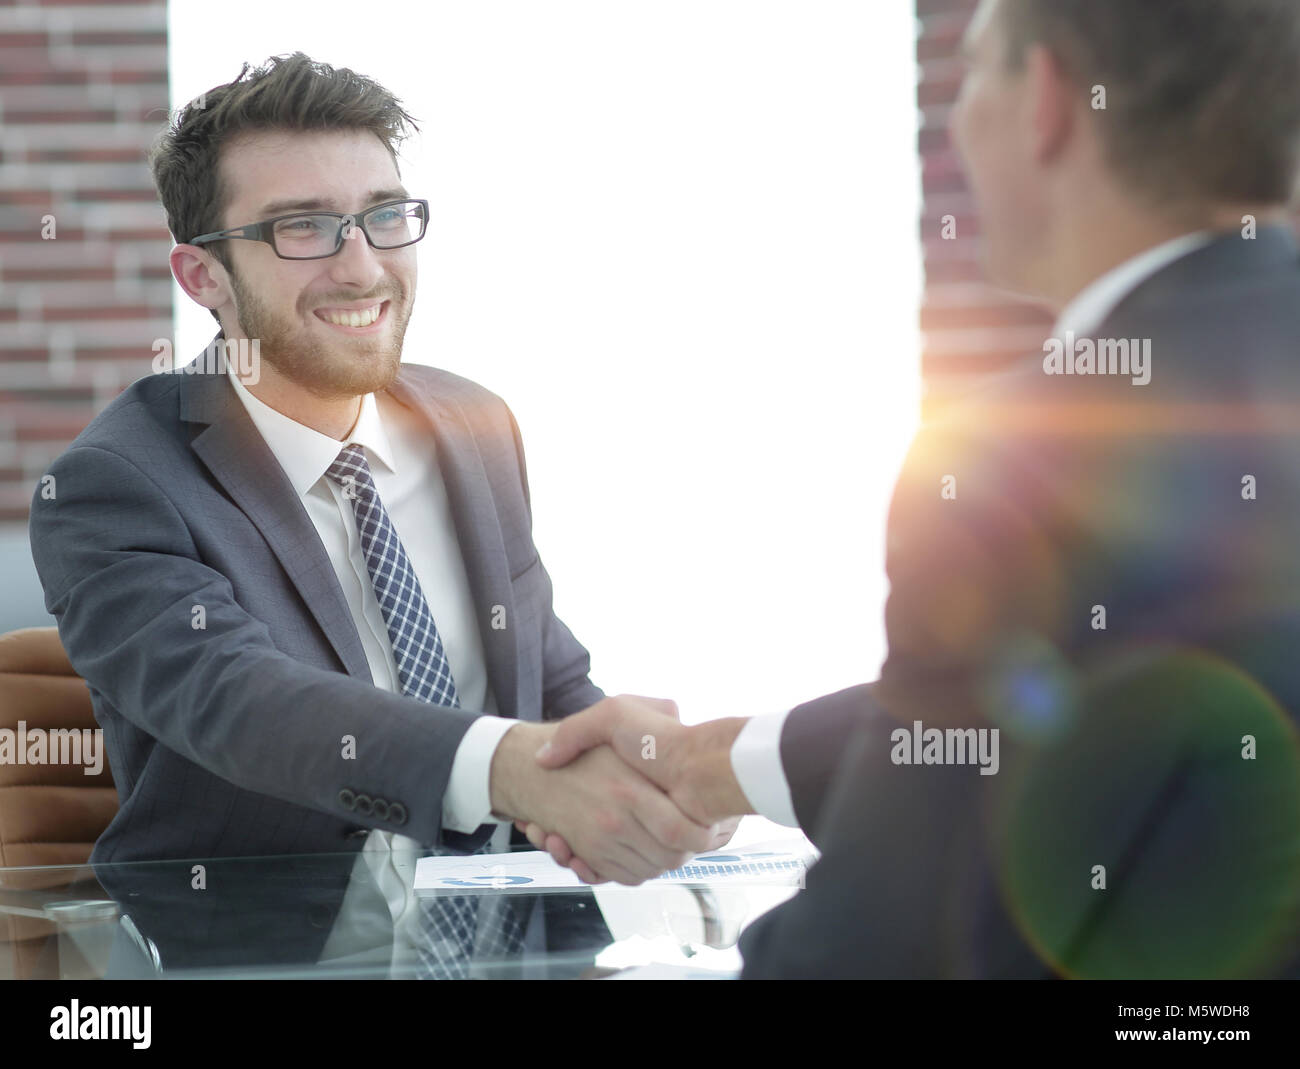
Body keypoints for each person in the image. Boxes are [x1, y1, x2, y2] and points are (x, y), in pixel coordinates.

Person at [521, 0, 1300, 978]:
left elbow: (881, 940)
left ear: (1046, 102)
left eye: (975, 74)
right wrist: (707, 764)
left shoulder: (1024, 452)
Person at [27, 53, 724, 973]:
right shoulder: (120, 480)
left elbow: (544, 683)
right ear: (202, 275)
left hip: (525, 959)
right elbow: (239, 702)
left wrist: (659, 778)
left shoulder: (473, 427)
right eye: (303, 228)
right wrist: (507, 766)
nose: (362, 267)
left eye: (385, 215)